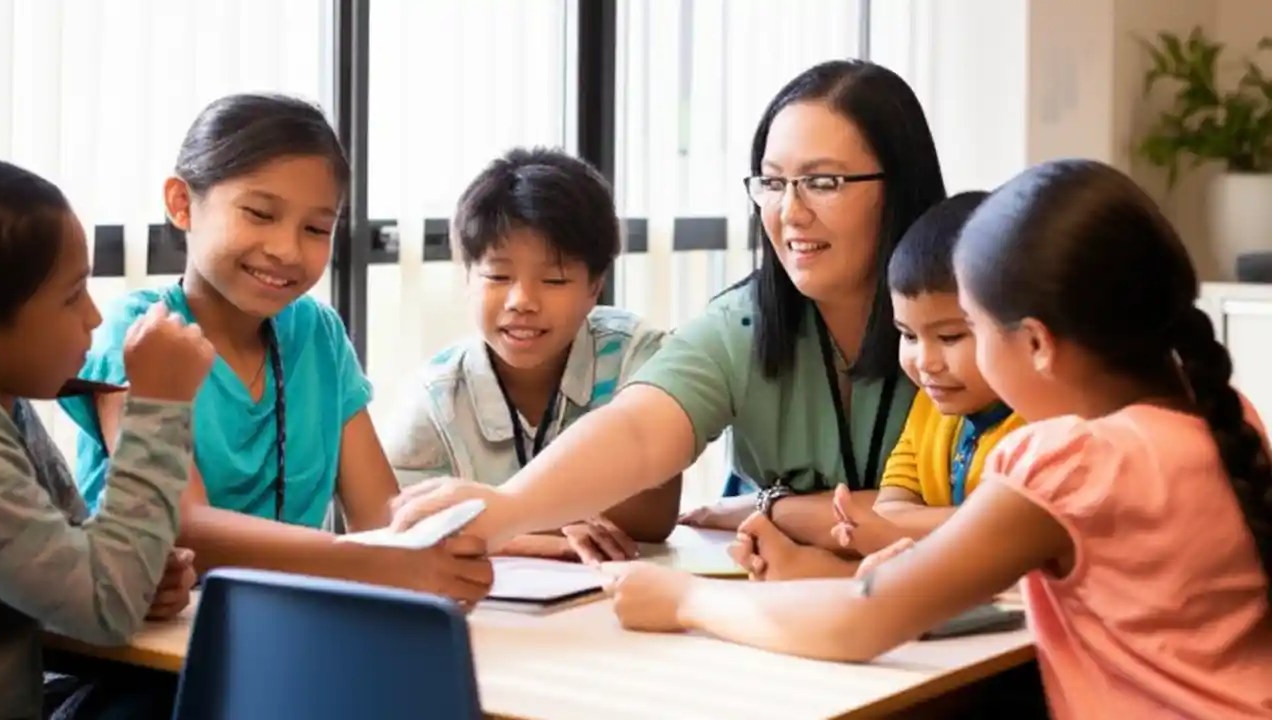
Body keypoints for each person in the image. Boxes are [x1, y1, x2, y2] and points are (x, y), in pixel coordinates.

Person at [608, 159, 1272, 719]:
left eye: (970, 331)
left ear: (1036, 342)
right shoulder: (1226, 418)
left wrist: (687, 599)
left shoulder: (1067, 463)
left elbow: (865, 622)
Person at [389, 59, 948, 560]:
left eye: (823, 182)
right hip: (795, 611)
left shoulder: (972, 320)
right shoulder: (742, 324)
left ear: (899, 185)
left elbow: (978, 519)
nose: (791, 212)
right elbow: (638, 430)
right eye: (773, 183)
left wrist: (780, 507)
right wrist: (508, 508)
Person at [60, 94, 491, 604]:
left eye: (315, 229)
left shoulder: (317, 332)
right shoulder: (140, 334)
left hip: (293, 624)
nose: (287, 250)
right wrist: (374, 562)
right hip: (157, 647)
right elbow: (185, 526)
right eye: (260, 213)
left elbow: (382, 515)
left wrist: (518, 540)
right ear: (181, 203)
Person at [0, 160, 213, 718]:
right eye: (71, 296)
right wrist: (160, 404)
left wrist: (133, 569)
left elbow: (73, 572)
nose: (93, 316)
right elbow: (102, 606)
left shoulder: (8, 406)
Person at [384, 148, 680, 565]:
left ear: (595, 286)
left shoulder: (637, 355)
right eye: (498, 276)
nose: (522, 301)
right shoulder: (434, 396)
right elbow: (398, 524)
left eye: (554, 279)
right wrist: (548, 538)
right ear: (466, 276)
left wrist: (492, 520)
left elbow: (652, 516)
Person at [729, 192, 1026, 579]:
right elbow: (891, 512)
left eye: (950, 337)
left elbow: (1003, 532)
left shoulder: (1038, 426)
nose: (925, 362)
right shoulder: (929, 407)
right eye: (908, 335)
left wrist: (905, 528)